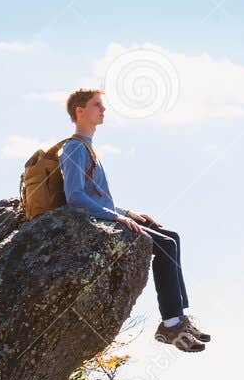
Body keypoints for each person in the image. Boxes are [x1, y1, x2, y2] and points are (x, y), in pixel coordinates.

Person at [60, 87, 211, 354]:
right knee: (166, 246)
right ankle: (170, 324)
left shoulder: (87, 147)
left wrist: (127, 212)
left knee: (172, 237)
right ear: (80, 112)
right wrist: (115, 216)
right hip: (95, 224)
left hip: (108, 216)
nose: (103, 109)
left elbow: (96, 196)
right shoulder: (74, 148)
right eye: (97, 105)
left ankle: (179, 318)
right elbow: (74, 197)